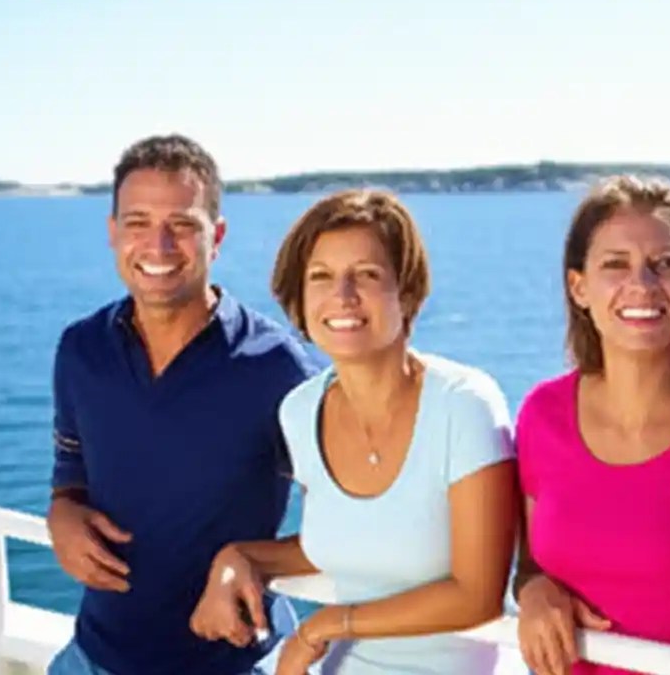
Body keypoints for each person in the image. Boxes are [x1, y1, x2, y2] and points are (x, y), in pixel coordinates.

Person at [187, 188, 518, 674]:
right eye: (320, 277)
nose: (342, 296)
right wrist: (237, 557)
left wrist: (325, 626)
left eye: (366, 275)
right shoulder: (300, 412)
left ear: (406, 293)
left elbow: (477, 595)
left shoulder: (463, 403)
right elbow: (351, 538)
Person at [46, 134, 320, 675]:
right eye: (138, 223)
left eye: (182, 225)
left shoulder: (277, 367)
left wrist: (245, 560)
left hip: (236, 664)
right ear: (112, 232)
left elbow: (354, 520)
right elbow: (71, 467)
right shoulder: (81, 349)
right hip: (93, 659)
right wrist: (62, 511)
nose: (159, 246)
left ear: (216, 237)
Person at [512, 175, 670, 675]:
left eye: (665, 265)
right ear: (579, 287)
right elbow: (531, 561)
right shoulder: (542, 414)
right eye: (616, 265)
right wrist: (532, 590)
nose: (643, 285)